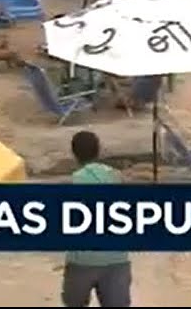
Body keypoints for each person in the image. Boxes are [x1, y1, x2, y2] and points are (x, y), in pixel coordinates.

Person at [62, 131, 132, 307]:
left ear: (74, 153)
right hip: (117, 258)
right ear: (98, 151)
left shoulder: (72, 183)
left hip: (81, 260)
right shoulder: (117, 177)